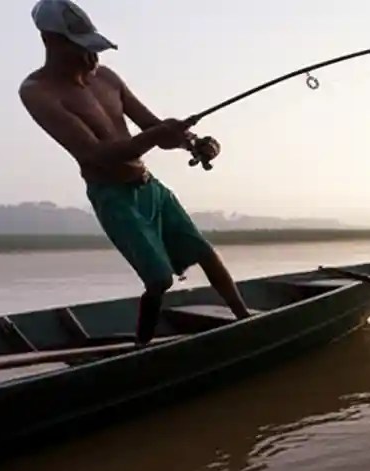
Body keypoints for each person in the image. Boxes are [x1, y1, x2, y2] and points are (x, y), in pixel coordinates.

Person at [18, 0, 251, 345]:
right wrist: (158, 135)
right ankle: (142, 348)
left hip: (148, 185)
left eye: (94, 50)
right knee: (158, 280)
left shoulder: (107, 78)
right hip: (112, 195)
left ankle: (244, 319)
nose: (92, 60)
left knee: (203, 251)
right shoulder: (37, 92)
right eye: (83, 50)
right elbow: (97, 155)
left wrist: (193, 142)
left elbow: (153, 127)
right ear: (51, 42)